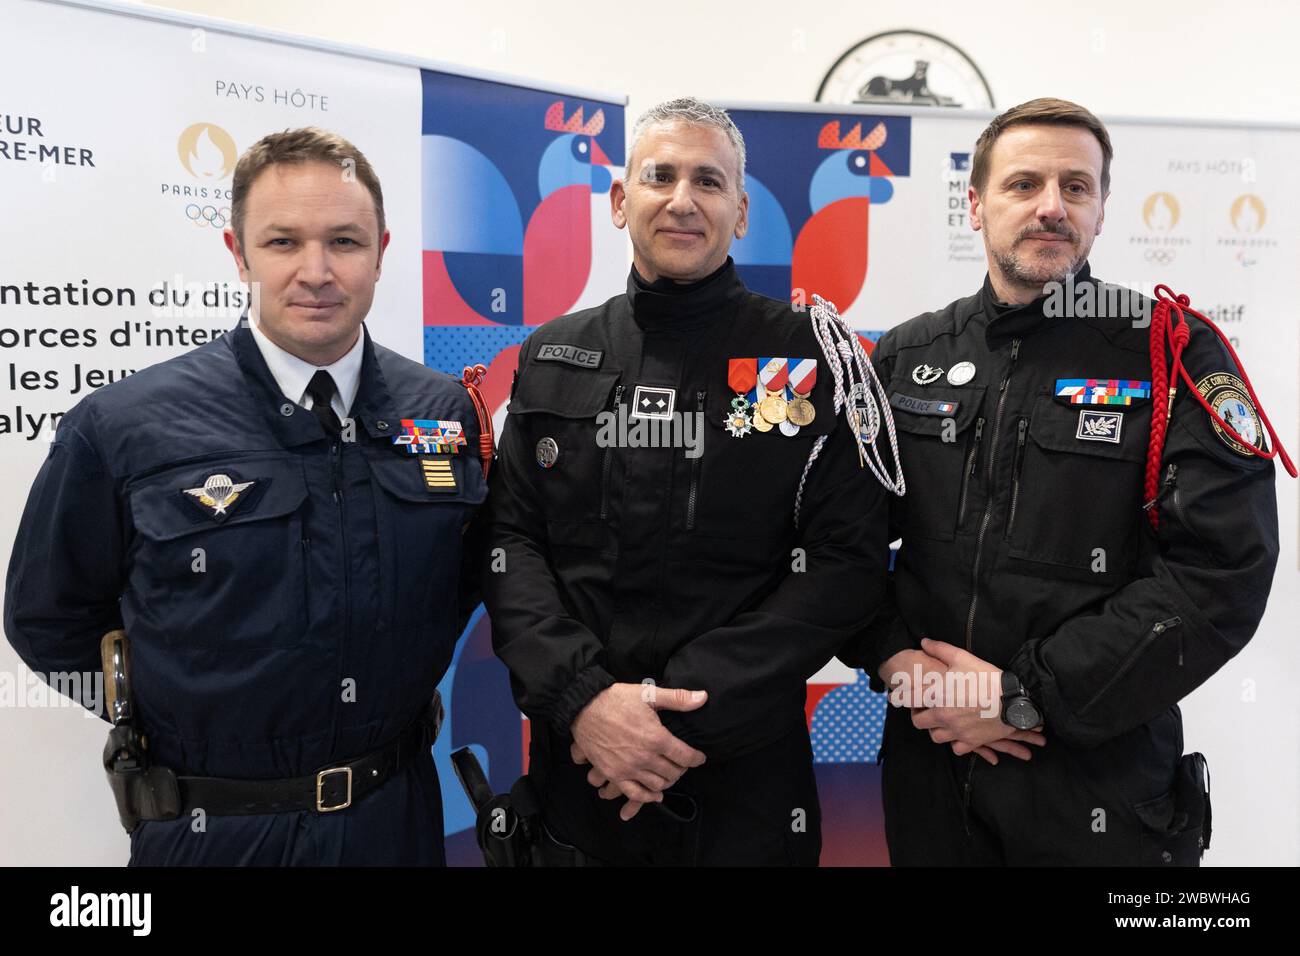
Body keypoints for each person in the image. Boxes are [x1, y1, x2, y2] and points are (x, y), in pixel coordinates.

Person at [4, 127, 488, 865]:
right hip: (215, 832)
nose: (317, 271)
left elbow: (454, 585)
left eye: (346, 242)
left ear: (383, 252)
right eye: (284, 242)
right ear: (239, 255)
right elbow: (48, 618)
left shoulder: (442, 411)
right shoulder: (126, 426)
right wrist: (181, 709)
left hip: (394, 819)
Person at [844, 98, 1283, 865]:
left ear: (1103, 209)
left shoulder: (1172, 355)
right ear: (975, 205)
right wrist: (896, 662)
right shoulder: (904, 357)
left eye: (1076, 188)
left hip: (1100, 787)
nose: (1052, 207)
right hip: (930, 773)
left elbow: (1223, 573)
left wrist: (1024, 696)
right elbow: (835, 541)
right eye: (1024, 185)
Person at [480, 97, 891, 865]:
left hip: (744, 780)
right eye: (659, 176)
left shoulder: (815, 363)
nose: (681, 200)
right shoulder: (551, 353)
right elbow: (511, 543)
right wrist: (585, 701)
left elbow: (845, 564)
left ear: (741, 212)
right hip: (581, 770)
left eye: (708, 182)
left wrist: (677, 715)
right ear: (617, 200)